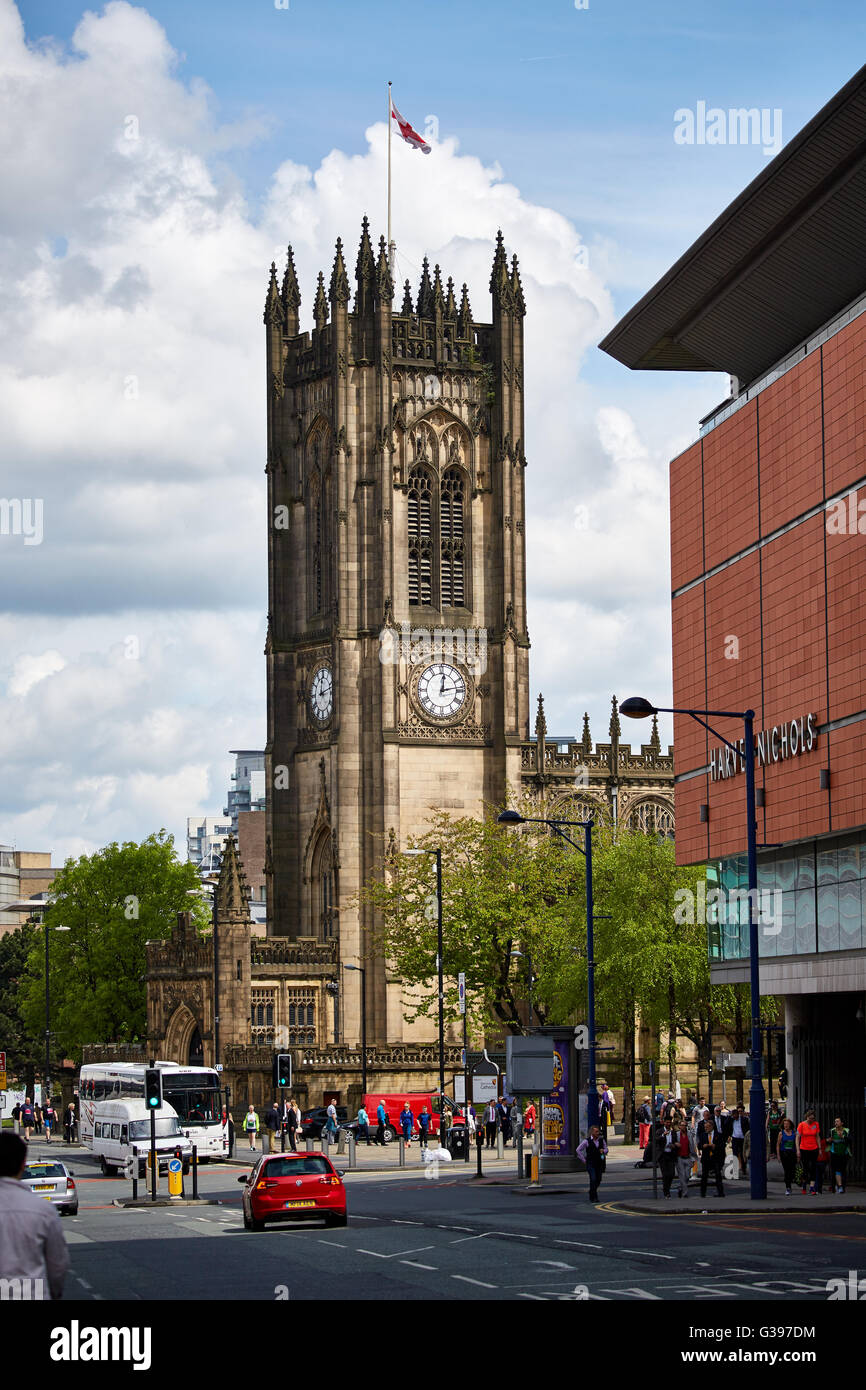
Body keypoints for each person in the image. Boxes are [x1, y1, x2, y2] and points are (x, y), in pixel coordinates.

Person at [0, 1133, 69, 1301]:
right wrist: (55, 1292)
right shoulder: (43, 1209)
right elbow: (58, 1263)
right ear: (23, 1164)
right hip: (30, 1293)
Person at [576, 1125, 608, 1203]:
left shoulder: (601, 1140)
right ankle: (594, 1197)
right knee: (593, 1179)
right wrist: (584, 1160)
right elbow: (578, 1150)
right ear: (592, 1132)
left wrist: (604, 1151)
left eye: (598, 1131)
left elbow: (606, 1149)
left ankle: (591, 1191)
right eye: (596, 1131)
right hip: (590, 1163)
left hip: (599, 1163)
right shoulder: (586, 1141)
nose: (598, 1133)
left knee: (598, 1179)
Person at [698, 1118, 725, 1198]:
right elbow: (699, 1145)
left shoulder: (718, 1135)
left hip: (715, 1157)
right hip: (706, 1158)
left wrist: (715, 1146)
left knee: (718, 1175)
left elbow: (722, 1146)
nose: (706, 1129)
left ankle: (720, 1192)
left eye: (707, 1127)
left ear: (712, 1127)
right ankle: (703, 1193)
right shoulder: (703, 1135)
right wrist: (703, 1146)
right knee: (704, 1176)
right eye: (705, 1127)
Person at [796, 1109, 821, 1195]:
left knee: (813, 1168)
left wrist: (820, 1148)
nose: (811, 1120)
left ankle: (811, 1187)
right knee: (806, 1168)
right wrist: (798, 1150)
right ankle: (804, 1186)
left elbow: (817, 1136)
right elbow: (797, 1137)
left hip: (814, 1148)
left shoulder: (816, 1124)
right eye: (810, 1118)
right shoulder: (801, 1125)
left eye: (813, 1118)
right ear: (806, 1117)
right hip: (804, 1148)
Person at [828, 1117, 851, 1194]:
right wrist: (828, 1140)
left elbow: (850, 1140)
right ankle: (838, 1186)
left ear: (842, 1123)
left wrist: (843, 1137)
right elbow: (828, 1141)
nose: (836, 1123)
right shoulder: (832, 1131)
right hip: (834, 1154)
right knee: (836, 1170)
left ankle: (842, 1187)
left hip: (844, 1154)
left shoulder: (846, 1131)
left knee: (843, 1170)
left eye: (837, 1121)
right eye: (835, 1121)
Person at [675, 1117, 697, 1197]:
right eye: (682, 1125)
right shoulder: (676, 1135)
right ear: (679, 1126)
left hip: (688, 1157)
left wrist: (694, 1158)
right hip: (679, 1158)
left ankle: (681, 1188)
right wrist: (675, 1144)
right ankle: (685, 1193)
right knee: (682, 1176)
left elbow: (692, 1146)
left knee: (687, 1176)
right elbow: (672, 1144)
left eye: (685, 1125)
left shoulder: (689, 1135)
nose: (683, 1127)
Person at [658, 1118, 678, 1198]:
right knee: (665, 1174)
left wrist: (674, 1145)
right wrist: (663, 1135)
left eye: (670, 1122)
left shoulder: (673, 1132)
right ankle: (666, 1192)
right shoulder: (660, 1131)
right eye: (667, 1122)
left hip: (671, 1155)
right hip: (663, 1155)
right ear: (664, 1123)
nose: (668, 1124)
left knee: (672, 1174)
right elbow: (656, 1139)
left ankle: (667, 1188)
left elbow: (675, 1142)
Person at [778, 1117, 797, 1194]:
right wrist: (778, 1155)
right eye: (785, 1124)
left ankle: (790, 1181)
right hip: (784, 1154)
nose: (786, 1125)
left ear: (790, 1125)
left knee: (792, 1170)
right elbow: (777, 1145)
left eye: (787, 1124)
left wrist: (798, 1153)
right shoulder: (781, 1133)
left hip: (792, 1153)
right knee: (787, 1170)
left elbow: (796, 1144)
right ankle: (788, 1187)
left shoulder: (794, 1133)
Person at [731, 1104, 750, 1176]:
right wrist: (730, 1117)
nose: (734, 1117)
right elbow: (726, 1124)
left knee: (743, 1154)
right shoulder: (732, 1120)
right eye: (738, 1111)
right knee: (735, 1154)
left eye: (741, 1111)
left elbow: (748, 1129)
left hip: (743, 1139)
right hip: (735, 1138)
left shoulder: (744, 1119)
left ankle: (743, 1168)